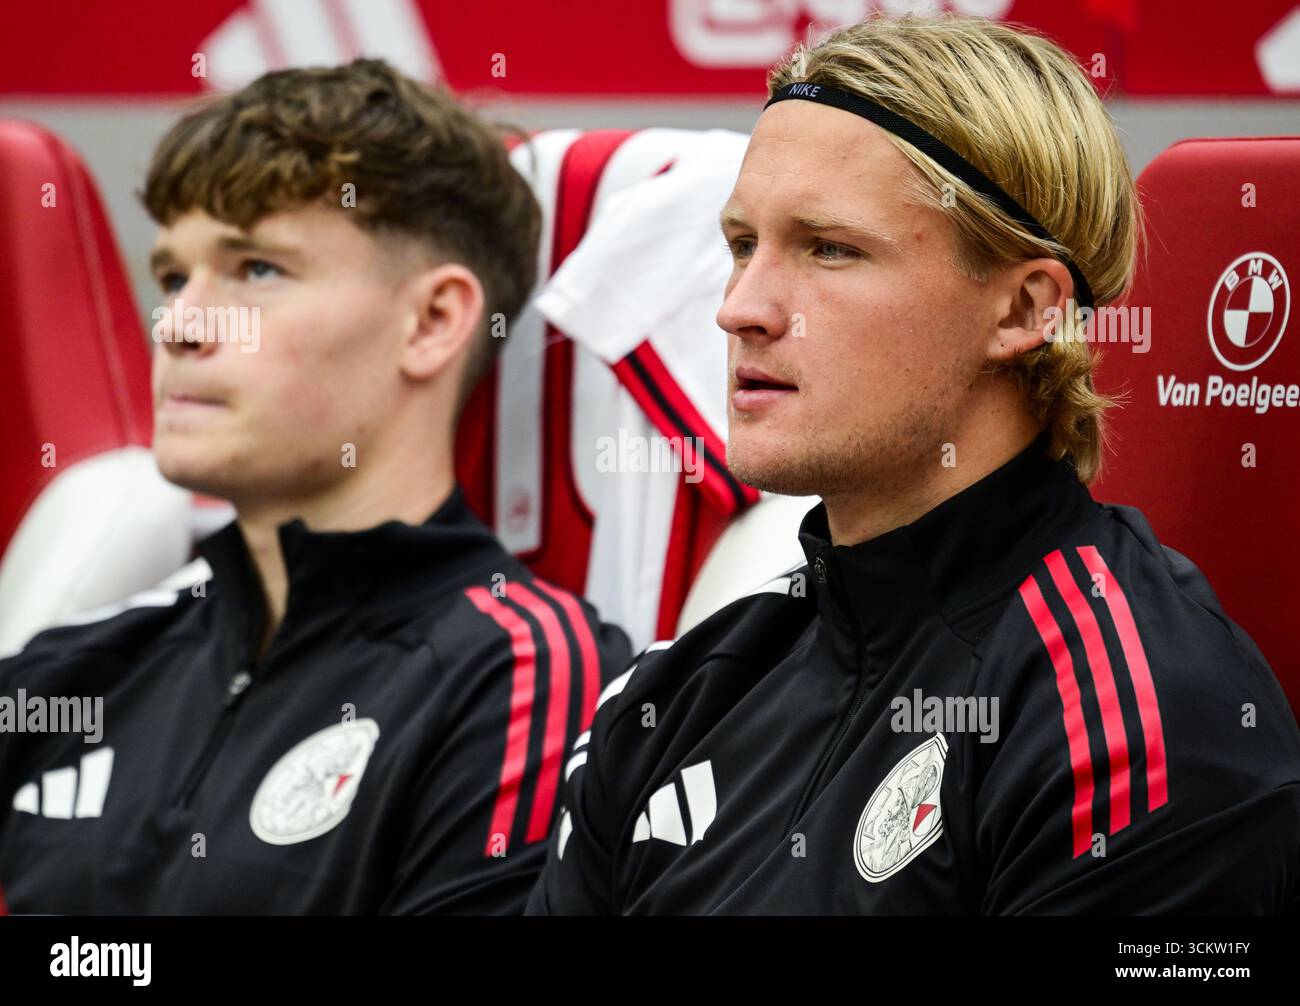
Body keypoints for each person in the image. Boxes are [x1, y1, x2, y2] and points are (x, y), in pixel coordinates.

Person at [526, 14, 1300, 914]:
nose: (739, 308)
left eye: (830, 248)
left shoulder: (1141, 726)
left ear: (1021, 310)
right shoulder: (674, 694)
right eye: (742, 245)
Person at [0, 58, 630, 914]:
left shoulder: (529, 676)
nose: (180, 324)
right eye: (174, 277)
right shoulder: (77, 664)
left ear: (434, 321)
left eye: (256, 269)